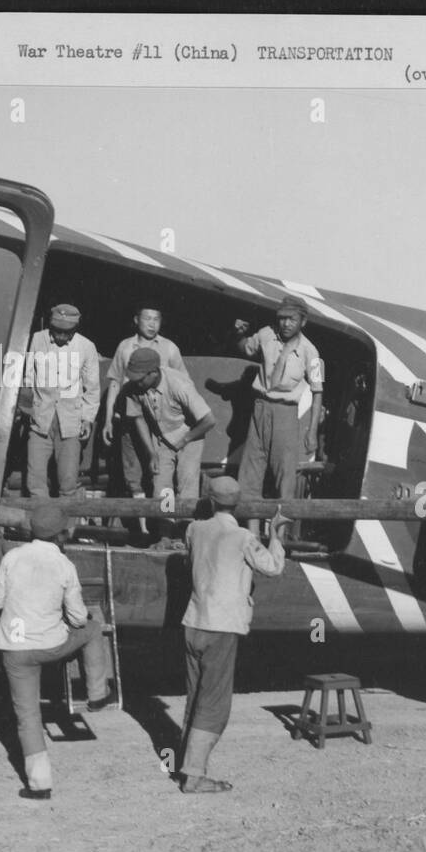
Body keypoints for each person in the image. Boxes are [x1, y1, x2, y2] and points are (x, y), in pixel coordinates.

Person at [0, 504, 114, 799]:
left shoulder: (12, 557)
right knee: (92, 629)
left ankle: (40, 785)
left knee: (28, 716)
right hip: (51, 645)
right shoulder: (64, 565)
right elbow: (78, 619)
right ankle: (97, 694)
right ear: (61, 534)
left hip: (15, 648)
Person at [177, 477, 289, 793]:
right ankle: (193, 776)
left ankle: (184, 763)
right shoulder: (243, 537)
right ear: (237, 504)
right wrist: (275, 534)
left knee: (195, 696)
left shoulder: (193, 530)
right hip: (222, 627)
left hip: (193, 622)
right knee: (214, 704)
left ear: (211, 501)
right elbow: (273, 567)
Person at [232, 295, 325, 503]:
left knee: (285, 472)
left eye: (292, 319)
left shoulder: (311, 351)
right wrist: (239, 334)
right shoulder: (266, 334)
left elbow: (318, 391)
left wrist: (312, 431)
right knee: (251, 467)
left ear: (303, 321)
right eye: (283, 318)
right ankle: (250, 522)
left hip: (285, 414)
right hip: (260, 408)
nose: (286, 324)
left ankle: (281, 524)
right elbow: (246, 348)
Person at [103, 305, 187, 499]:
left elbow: (183, 382)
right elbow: (115, 383)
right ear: (136, 320)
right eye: (147, 318)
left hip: (160, 420)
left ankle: (164, 514)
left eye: (156, 319)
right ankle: (140, 513)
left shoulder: (170, 348)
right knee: (132, 471)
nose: (152, 324)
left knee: (161, 471)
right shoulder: (125, 347)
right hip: (130, 416)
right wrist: (108, 420)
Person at [122, 347, 216, 512]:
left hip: (190, 437)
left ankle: (185, 525)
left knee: (186, 488)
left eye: (140, 378)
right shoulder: (134, 387)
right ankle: (166, 526)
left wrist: (185, 440)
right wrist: (151, 453)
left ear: (153, 372)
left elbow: (209, 420)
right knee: (162, 490)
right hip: (161, 438)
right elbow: (139, 418)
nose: (136, 382)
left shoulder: (178, 384)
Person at [23, 304, 100, 499]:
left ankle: (66, 518)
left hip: (70, 422)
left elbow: (92, 389)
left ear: (75, 328)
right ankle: (39, 518)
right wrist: (26, 410)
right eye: (57, 330)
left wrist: (87, 419)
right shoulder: (37, 340)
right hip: (40, 420)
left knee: (68, 482)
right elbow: (28, 378)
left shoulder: (86, 347)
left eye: (67, 332)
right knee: (35, 482)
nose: (61, 335)